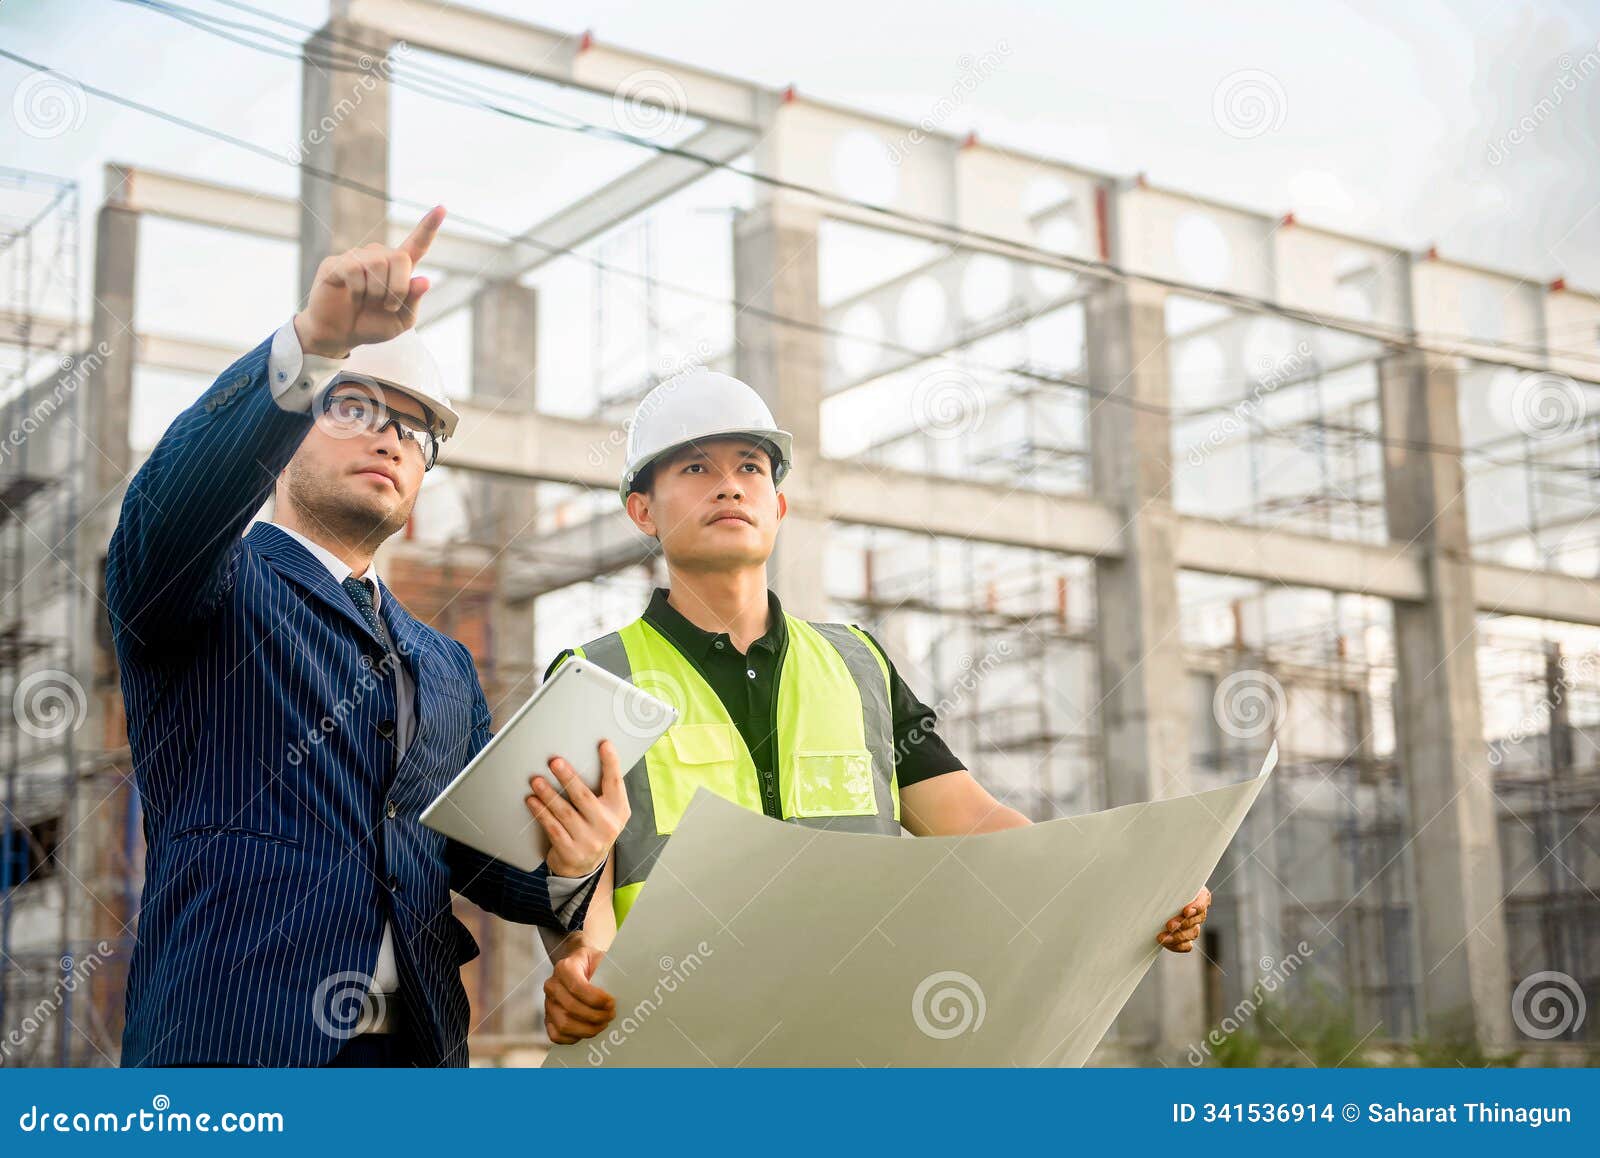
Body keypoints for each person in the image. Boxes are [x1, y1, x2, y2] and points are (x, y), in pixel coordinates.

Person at [539, 369, 1212, 1045]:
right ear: (643, 511)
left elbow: (975, 825)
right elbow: (577, 877)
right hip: (686, 1054)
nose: (730, 485)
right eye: (695, 467)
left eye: (750, 467)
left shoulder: (859, 664)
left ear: (779, 505)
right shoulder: (595, 679)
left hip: (866, 1045)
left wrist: (1133, 886)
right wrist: (579, 966)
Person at [107, 207, 629, 1067]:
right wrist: (314, 342)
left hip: (414, 1064)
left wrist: (573, 862)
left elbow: (472, 856)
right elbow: (168, 510)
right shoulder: (212, 587)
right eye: (355, 406)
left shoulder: (445, 664)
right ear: (286, 436)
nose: (390, 435)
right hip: (235, 1058)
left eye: (414, 429)